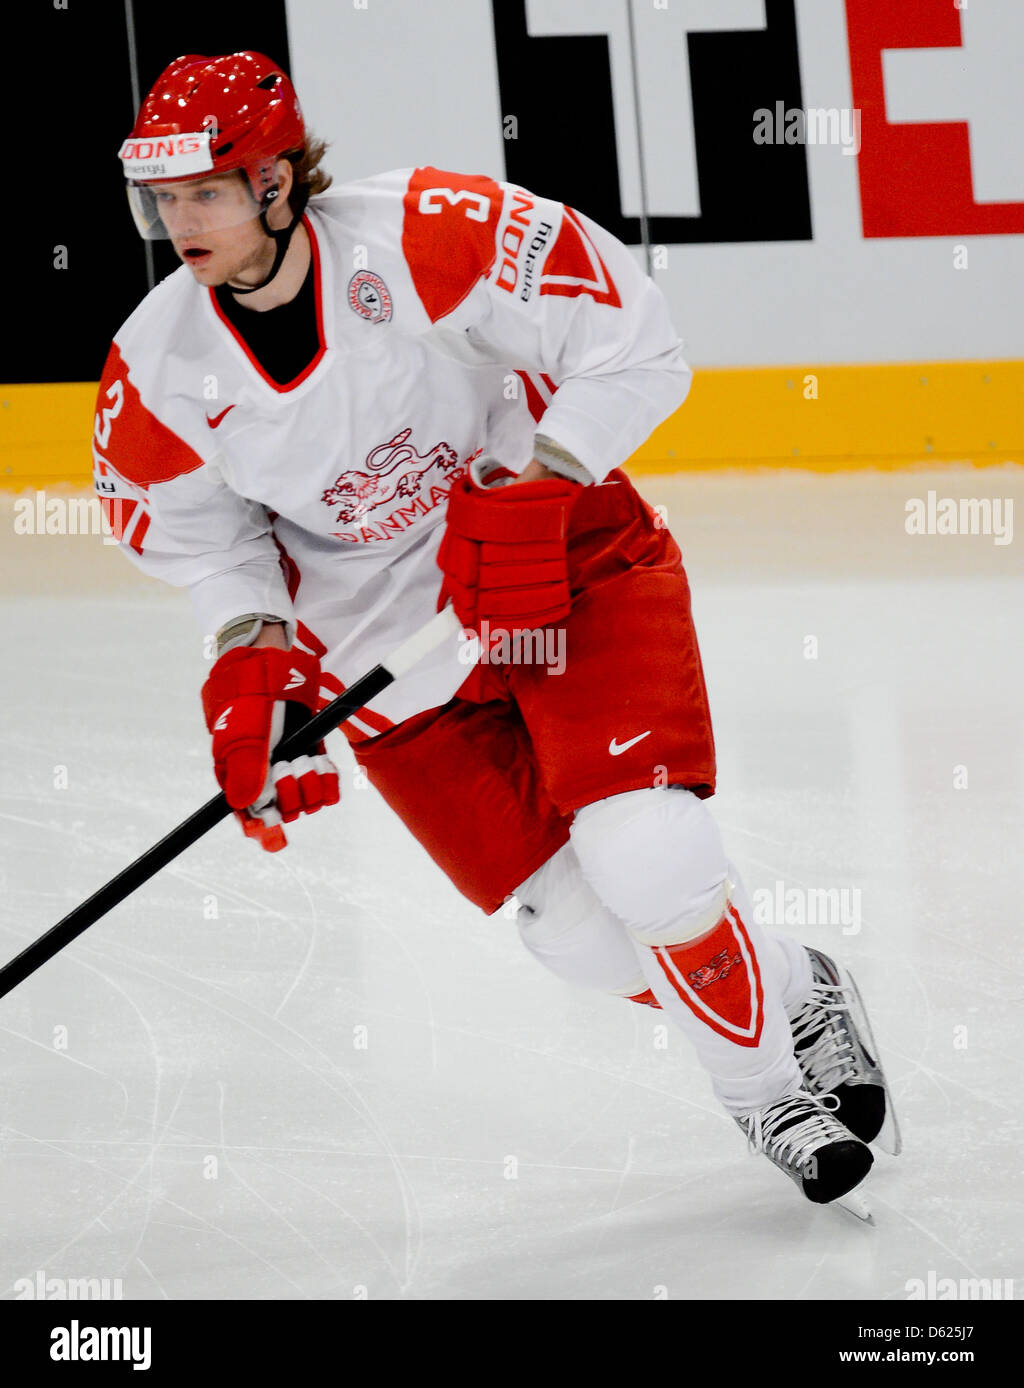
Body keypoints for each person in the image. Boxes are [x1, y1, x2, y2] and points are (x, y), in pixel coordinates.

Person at [95, 51, 899, 1212]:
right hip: (388, 652)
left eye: (206, 193)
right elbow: (202, 537)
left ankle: (762, 1094)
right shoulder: (155, 364)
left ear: (277, 183)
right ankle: (799, 988)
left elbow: (631, 339)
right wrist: (247, 645)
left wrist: (545, 476)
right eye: (161, 201)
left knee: (650, 857)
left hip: (563, 569)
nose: (180, 224)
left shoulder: (425, 231)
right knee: (573, 933)